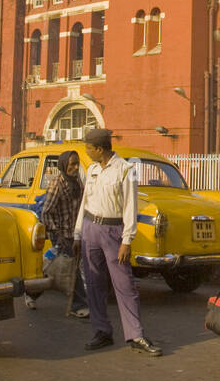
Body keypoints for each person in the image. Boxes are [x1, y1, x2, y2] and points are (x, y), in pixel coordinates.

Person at [74, 129, 162, 356]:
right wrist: (78, 233)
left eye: (89, 148)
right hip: (90, 228)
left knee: (124, 284)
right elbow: (85, 202)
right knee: (93, 284)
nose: (87, 152)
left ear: (100, 149)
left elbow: (130, 207)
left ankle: (135, 334)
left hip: (114, 232)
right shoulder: (92, 169)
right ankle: (102, 330)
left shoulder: (126, 170)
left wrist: (127, 239)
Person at [36, 149, 88, 317]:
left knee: (57, 269)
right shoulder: (56, 183)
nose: (75, 167)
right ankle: (78, 305)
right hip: (60, 233)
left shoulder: (78, 183)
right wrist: (56, 233)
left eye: (77, 164)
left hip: (74, 233)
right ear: (64, 165)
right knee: (72, 268)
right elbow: (46, 212)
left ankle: (32, 292)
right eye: (72, 164)